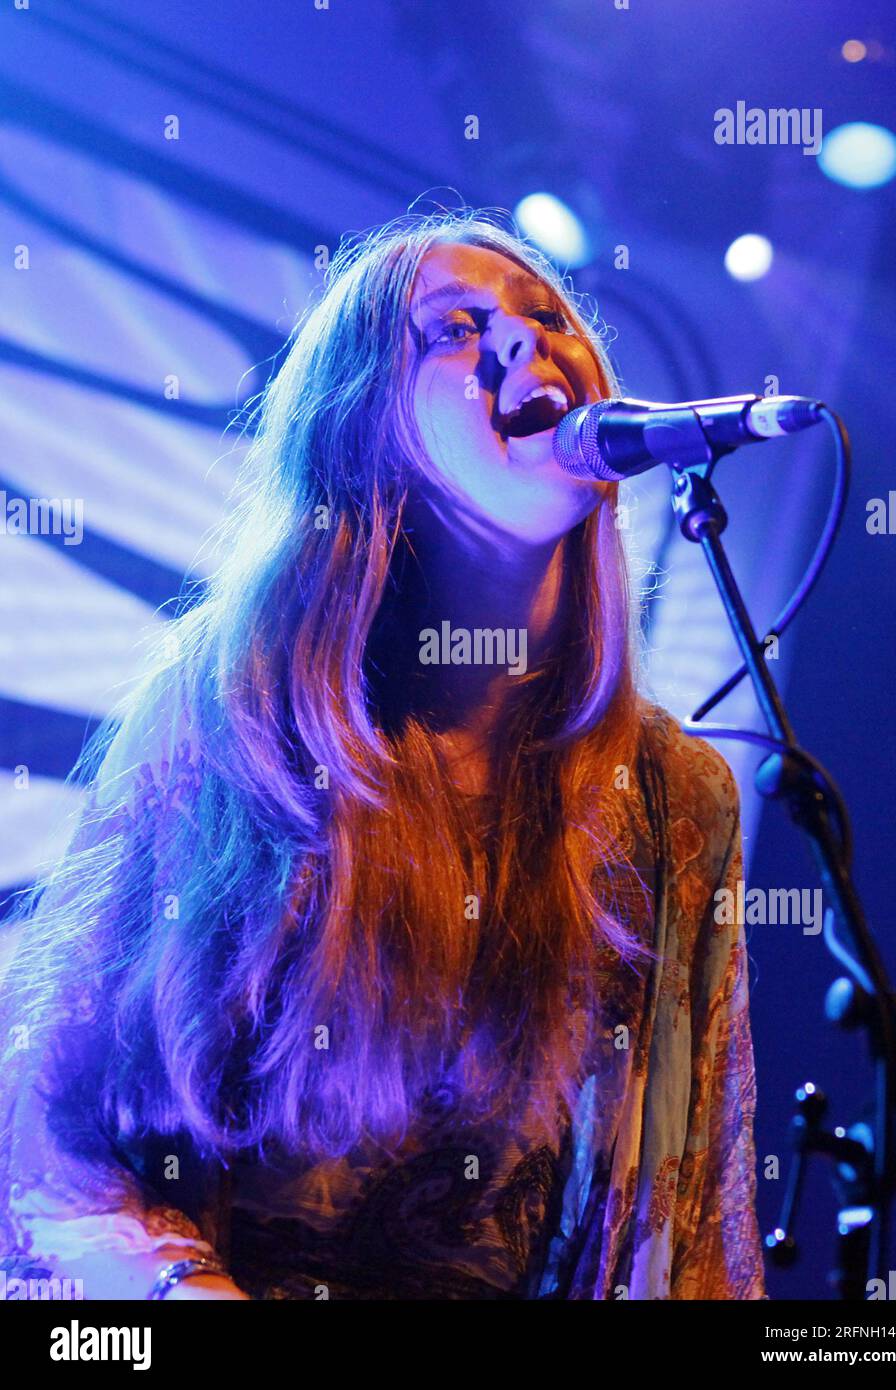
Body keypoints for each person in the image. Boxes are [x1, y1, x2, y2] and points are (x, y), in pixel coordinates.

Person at [0, 207, 765, 1300]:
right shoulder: (234, 717)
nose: (521, 340)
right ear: (361, 436)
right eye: (455, 328)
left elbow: (684, 1230)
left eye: (548, 314)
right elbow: (51, 1154)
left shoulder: (669, 797)